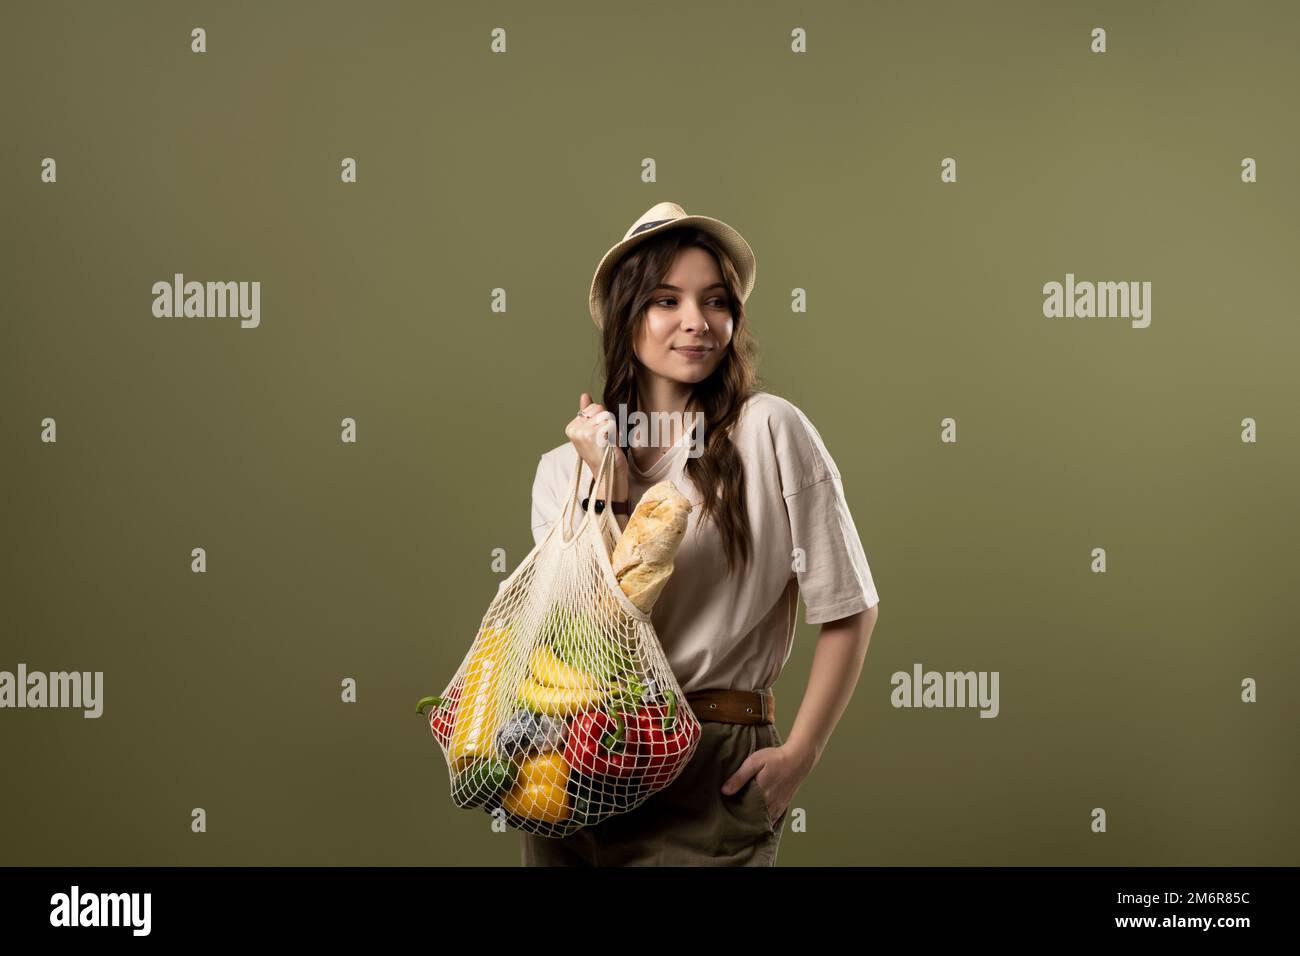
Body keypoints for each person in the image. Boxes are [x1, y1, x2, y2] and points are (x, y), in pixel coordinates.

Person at [522, 201, 881, 866]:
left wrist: (800, 755)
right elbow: (582, 632)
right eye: (666, 300)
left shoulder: (772, 431)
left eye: (716, 301)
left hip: (715, 760)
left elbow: (851, 608)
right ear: (628, 318)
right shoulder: (563, 469)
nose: (696, 322)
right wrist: (609, 488)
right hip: (573, 758)